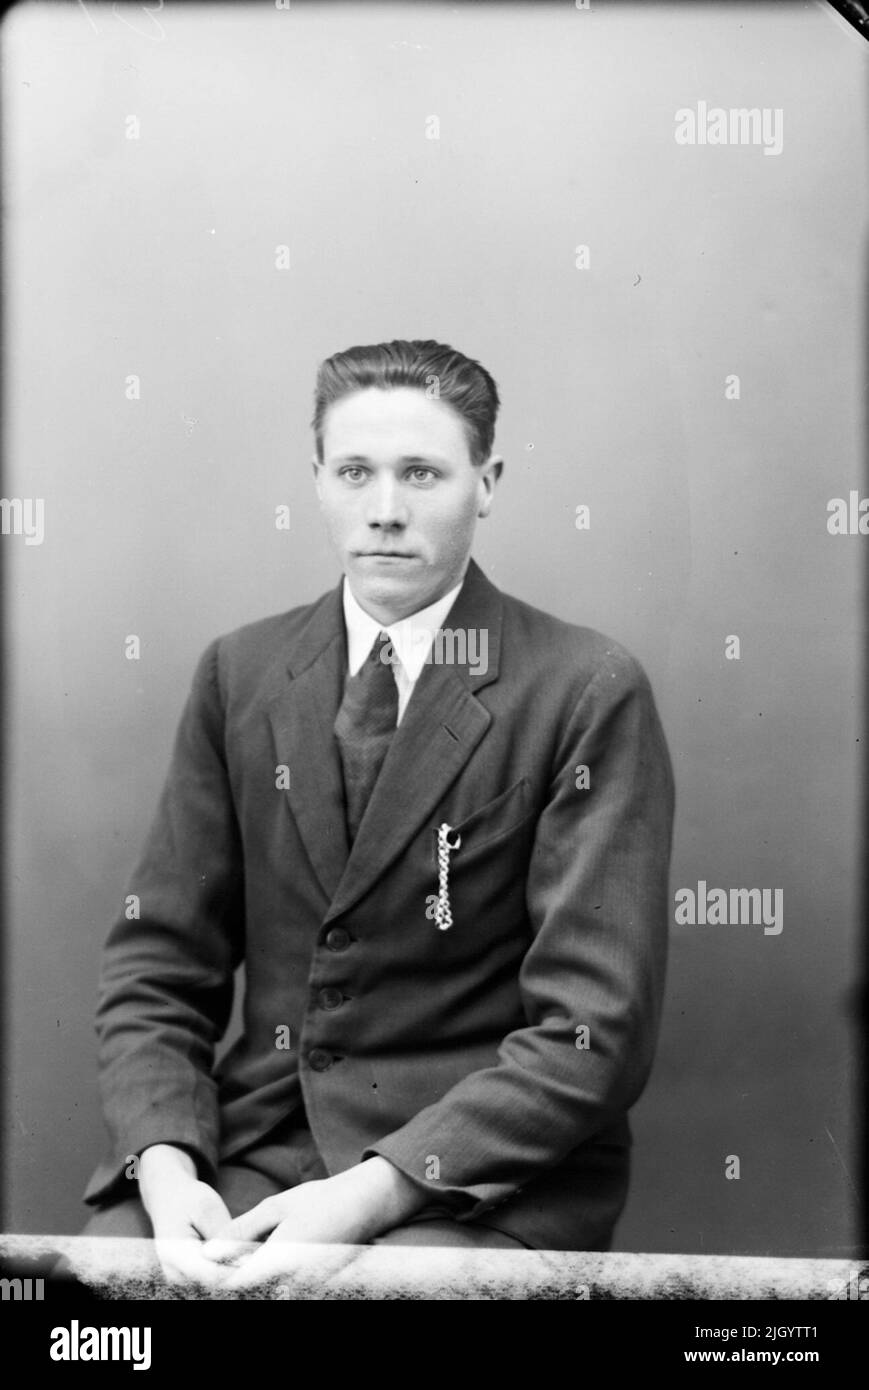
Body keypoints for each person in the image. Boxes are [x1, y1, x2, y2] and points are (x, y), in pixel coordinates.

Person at [81, 339, 675, 1289]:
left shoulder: (582, 688)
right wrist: (165, 1161)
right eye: (355, 472)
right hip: (258, 1146)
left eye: (423, 474)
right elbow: (159, 964)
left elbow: (592, 1029)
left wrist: (368, 1196)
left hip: (478, 1178)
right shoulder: (241, 673)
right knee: (90, 1298)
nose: (385, 509)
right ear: (315, 480)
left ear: (487, 483)